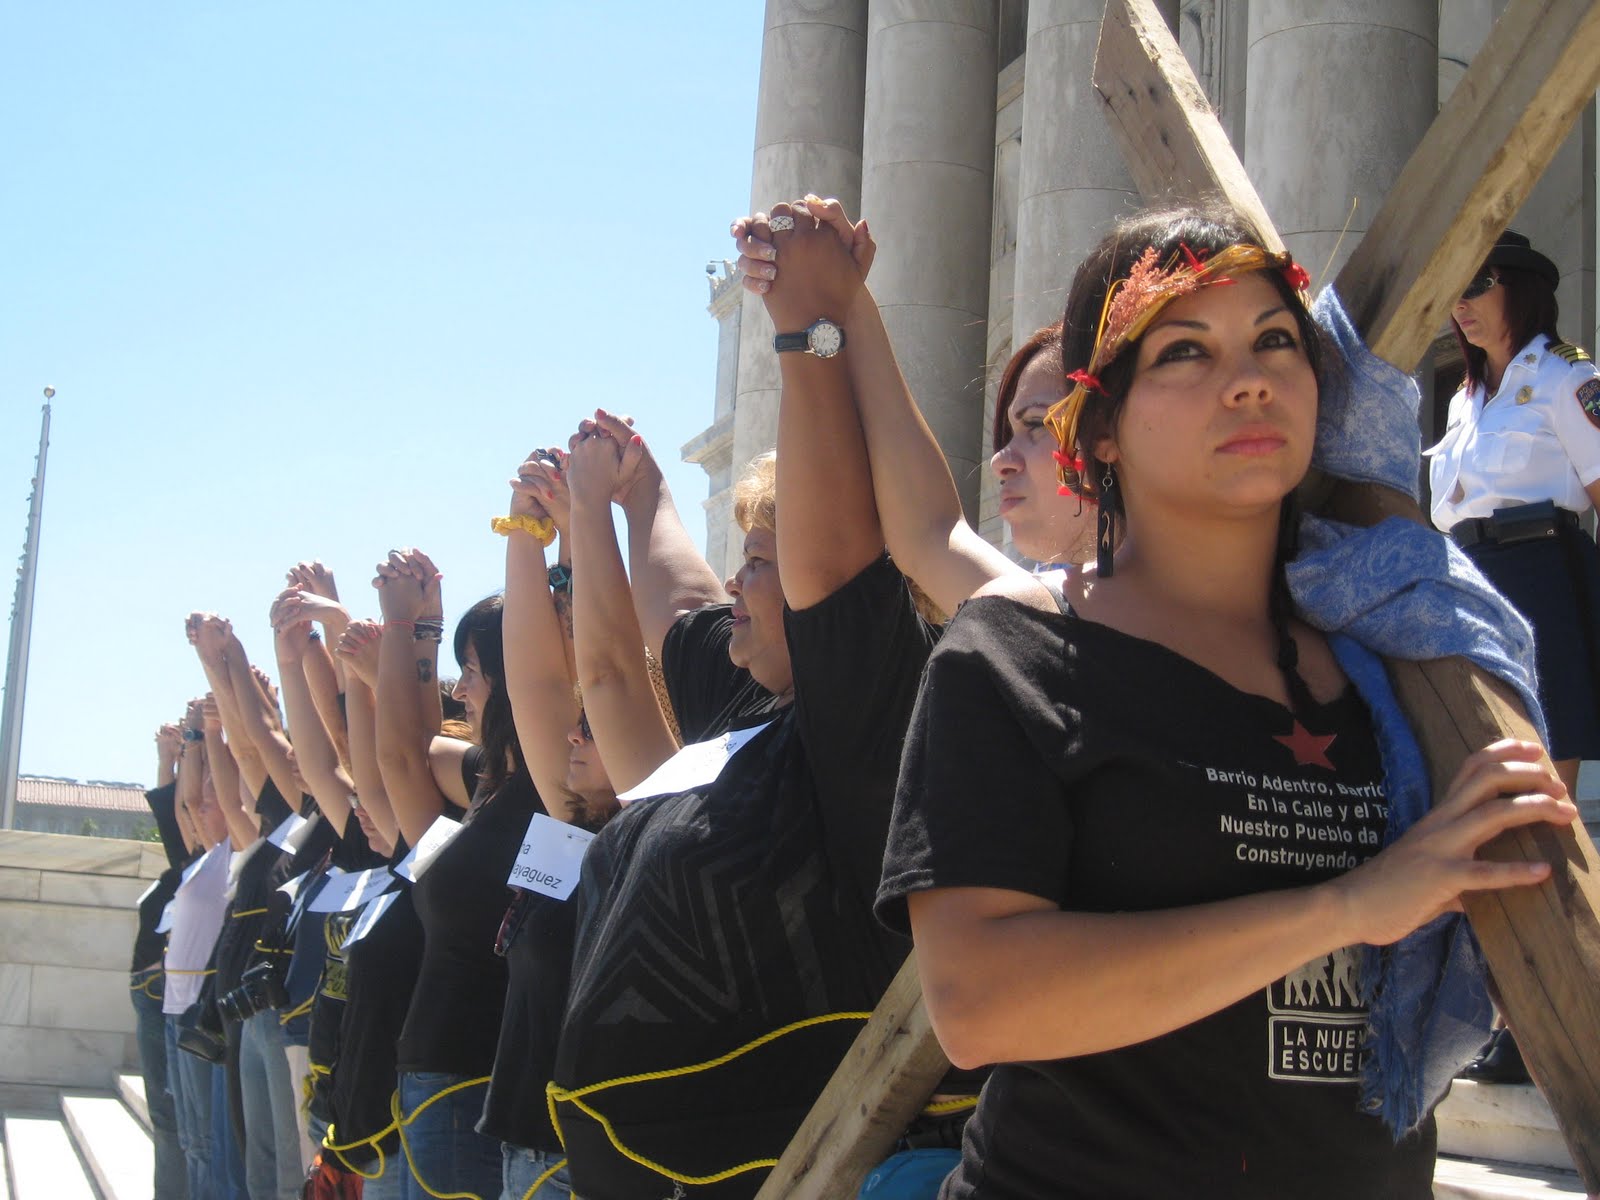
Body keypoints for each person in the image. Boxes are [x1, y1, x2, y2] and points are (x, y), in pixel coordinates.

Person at [874, 207, 1578, 1199]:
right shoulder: (1016, 654)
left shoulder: (1411, 657)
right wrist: (1348, 907)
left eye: (1276, 341)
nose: (1248, 380)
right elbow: (980, 1003)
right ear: (1101, 428)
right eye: (1184, 351)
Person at [549, 192, 940, 1196]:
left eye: (759, 560)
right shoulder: (745, 704)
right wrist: (631, 494)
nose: (736, 581)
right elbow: (669, 609)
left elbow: (839, 565)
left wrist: (811, 326)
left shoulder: (865, 714)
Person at [375, 552, 544, 1200]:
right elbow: (415, 743)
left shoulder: (547, 791)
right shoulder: (491, 778)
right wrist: (423, 628)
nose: (460, 690)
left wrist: (399, 626)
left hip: (467, 1084)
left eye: (472, 671)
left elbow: (400, 754)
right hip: (441, 1082)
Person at [1427, 229, 1600, 801]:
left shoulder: (1567, 376)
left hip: (1541, 575)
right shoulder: (1464, 398)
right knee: (1470, 749)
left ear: (1521, 289)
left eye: (1477, 283)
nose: (1460, 303)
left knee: (1546, 764)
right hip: (1468, 578)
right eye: (1455, 288)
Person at [132, 721, 192, 1200]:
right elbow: (174, 816)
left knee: (176, 1119)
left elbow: (180, 815)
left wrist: (187, 750)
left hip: (174, 989)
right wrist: (168, 760)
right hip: (151, 986)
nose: (195, 811)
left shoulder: (210, 854)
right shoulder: (186, 859)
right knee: (165, 1116)